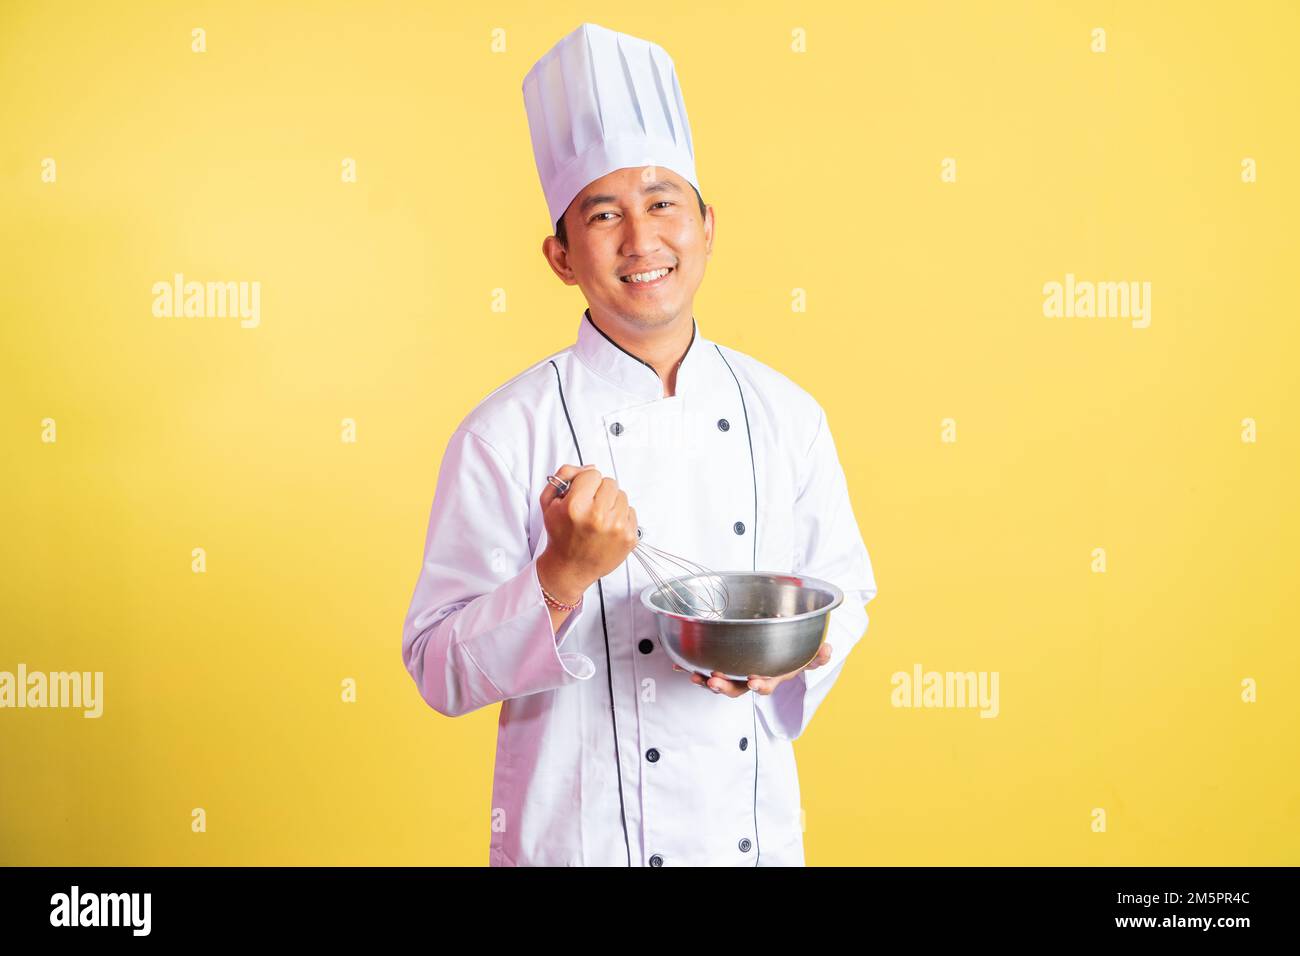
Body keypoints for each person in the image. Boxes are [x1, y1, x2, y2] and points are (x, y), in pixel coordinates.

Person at [401, 22, 878, 867]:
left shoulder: (786, 413)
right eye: (604, 215)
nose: (641, 240)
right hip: (576, 846)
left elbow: (842, 596)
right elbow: (437, 669)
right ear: (560, 256)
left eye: (663, 202)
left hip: (751, 842)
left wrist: (783, 666)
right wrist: (561, 575)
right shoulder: (505, 432)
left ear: (707, 224)